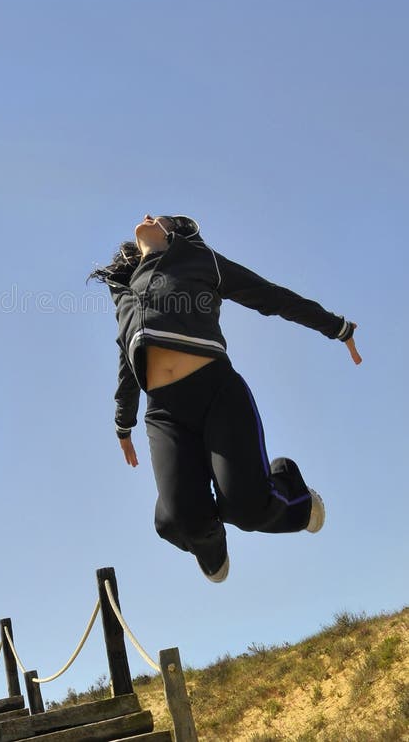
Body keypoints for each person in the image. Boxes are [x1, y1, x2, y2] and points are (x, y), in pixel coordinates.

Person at [89, 215, 361, 583]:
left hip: (217, 393)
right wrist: (123, 424)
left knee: (247, 510)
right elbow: (127, 363)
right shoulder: (125, 292)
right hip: (165, 413)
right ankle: (210, 545)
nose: (150, 217)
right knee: (176, 520)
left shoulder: (201, 261)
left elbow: (271, 296)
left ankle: (293, 491)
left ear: (175, 235)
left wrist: (336, 327)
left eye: (162, 218)